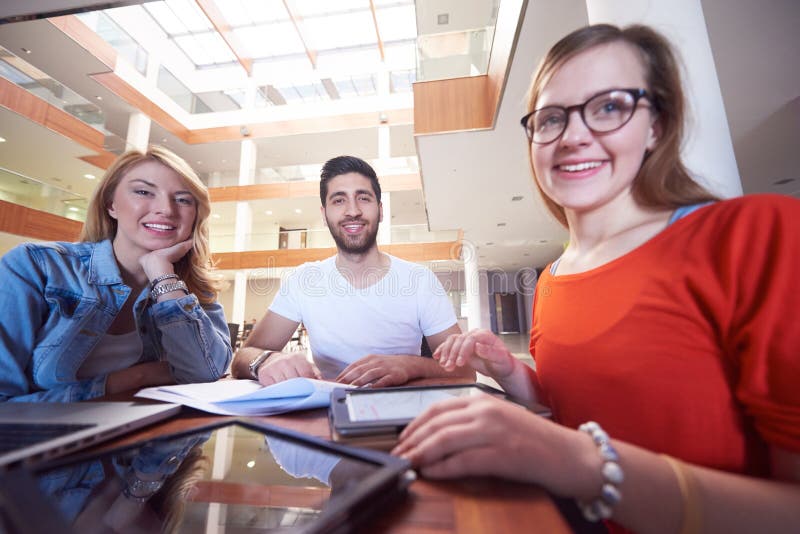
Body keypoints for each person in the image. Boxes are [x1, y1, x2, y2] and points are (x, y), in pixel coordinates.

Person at [393, 24, 800, 533]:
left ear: (657, 125)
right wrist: (512, 375)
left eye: (609, 107)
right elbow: (574, 415)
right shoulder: (551, 279)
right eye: (552, 118)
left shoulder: (757, 236)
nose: (574, 135)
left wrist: (587, 465)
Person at [0, 145, 232, 402]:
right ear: (111, 204)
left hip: (144, 434)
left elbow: (206, 373)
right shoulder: (34, 266)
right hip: (38, 437)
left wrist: (162, 275)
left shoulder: (190, 287)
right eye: (143, 192)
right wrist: (129, 379)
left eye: (183, 199)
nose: (166, 209)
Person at [232, 156, 473, 386]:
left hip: (404, 417)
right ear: (324, 215)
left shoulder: (419, 280)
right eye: (339, 200)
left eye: (363, 198)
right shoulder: (303, 280)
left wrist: (410, 365)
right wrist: (267, 360)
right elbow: (243, 358)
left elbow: (465, 372)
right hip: (326, 416)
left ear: (380, 210)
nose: (353, 211)